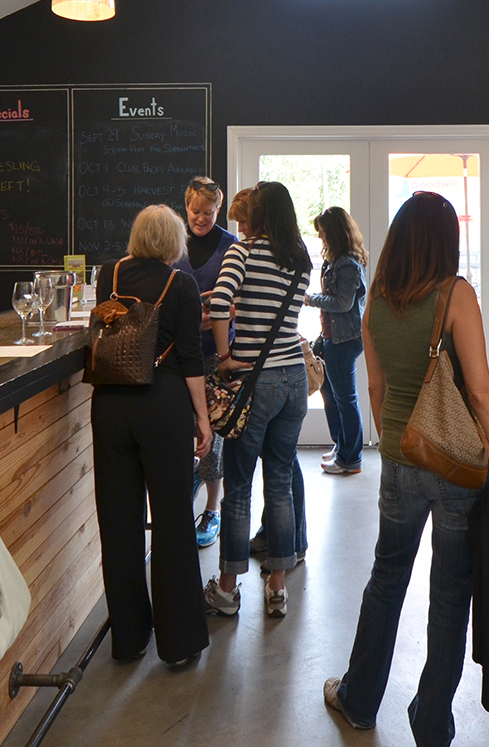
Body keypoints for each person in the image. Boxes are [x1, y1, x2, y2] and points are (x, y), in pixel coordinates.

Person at [324, 191, 489, 744]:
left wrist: (393, 444)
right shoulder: (455, 295)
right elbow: (480, 392)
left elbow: (376, 387)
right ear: (445, 240)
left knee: (386, 578)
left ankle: (359, 698)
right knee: (450, 593)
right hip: (455, 465)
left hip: (401, 461)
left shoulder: (377, 298)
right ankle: (430, 720)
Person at [90, 205, 214, 666]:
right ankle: (179, 646)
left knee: (118, 522)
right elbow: (189, 359)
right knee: (172, 522)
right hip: (162, 407)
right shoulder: (181, 286)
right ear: (174, 243)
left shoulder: (109, 275)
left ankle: (129, 639)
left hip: (110, 404)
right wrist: (203, 419)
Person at [204, 181, 311, 619]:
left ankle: (228, 589)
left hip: (255, 381)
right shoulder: (300, 257)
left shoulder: (243, 252)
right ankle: (278, 586)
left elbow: (218, 307)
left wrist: (225, 357)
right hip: (295, 380)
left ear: (260, 215)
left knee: (240, 486)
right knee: (281, 483)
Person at [172, 176, 237, 549]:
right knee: (179, 431)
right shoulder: (173, 242)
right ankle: (181, 498)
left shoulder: (231, 246)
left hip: (214, 354)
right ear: (186, 207)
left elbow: (236, 306)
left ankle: (212, 508)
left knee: (211, 435)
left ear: (219, 210)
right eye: (195, 211)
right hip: (175, 354)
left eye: (209, 213)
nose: (200, 218)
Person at [305, 206, 368, 475]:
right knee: (329, 394)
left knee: (345, 398)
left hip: (347, 339)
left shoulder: (349, 265)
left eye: (323, 232)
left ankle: (351, 458)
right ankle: (342, 446)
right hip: (333, 337)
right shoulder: (335, 261)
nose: (320, 237)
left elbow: (343, 304)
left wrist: (311, 299)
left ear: (336, 234)